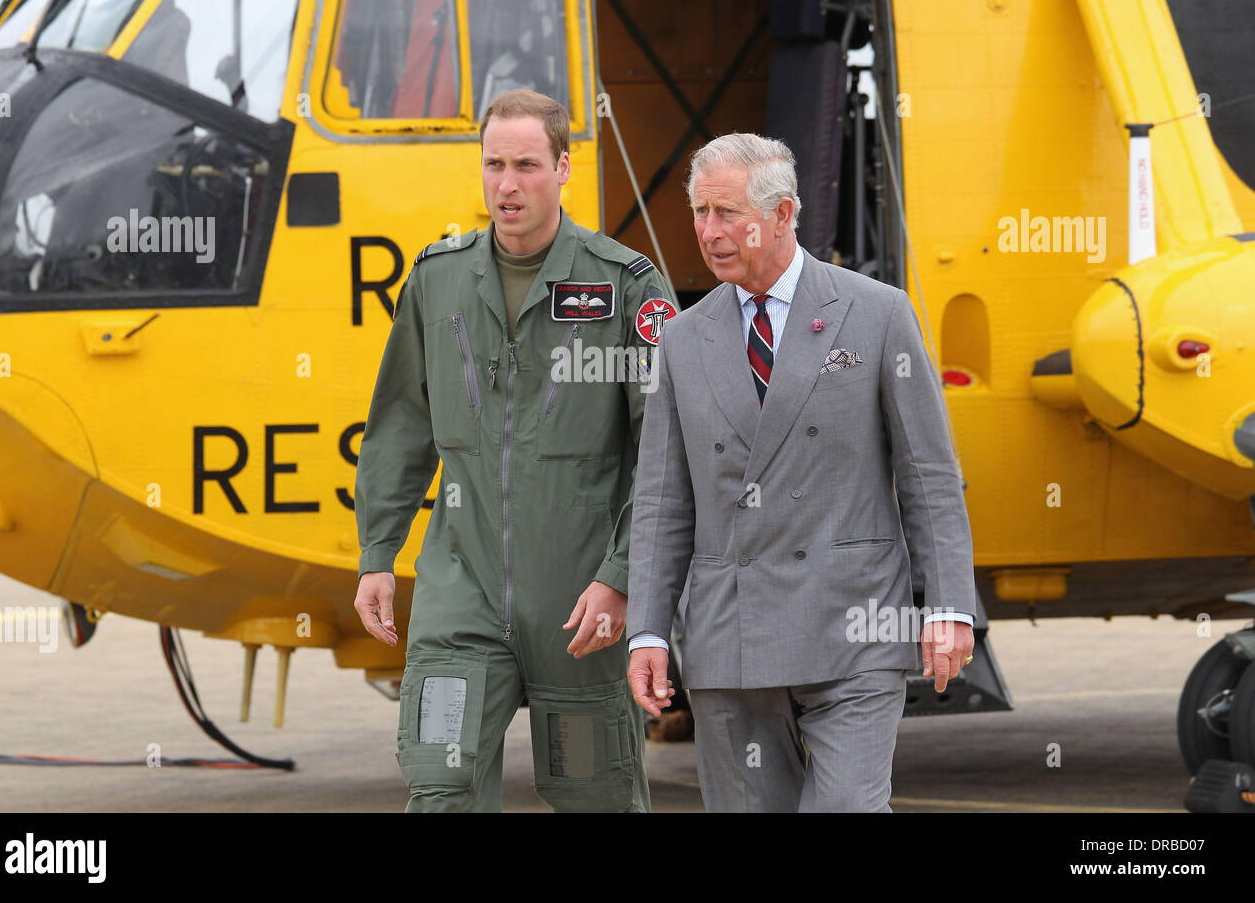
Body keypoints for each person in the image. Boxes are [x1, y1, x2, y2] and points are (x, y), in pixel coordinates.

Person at [625, 133, 975, 812]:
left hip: (856, 627)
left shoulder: (877, 314)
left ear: (782, 215)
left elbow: (928, 474)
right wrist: (648, 630)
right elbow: (664, 503)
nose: (708, 231)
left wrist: (950, 607)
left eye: (727, 213)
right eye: (699, 212)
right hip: (731, 642)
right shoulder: (682, 340)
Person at [353, 89, 677, 812]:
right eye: (494, 164)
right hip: (460, 591)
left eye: (526, 165)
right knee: (442, 785)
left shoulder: (624, 287)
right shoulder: (437, 282)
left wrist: (622, 576)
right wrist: (378, 552)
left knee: (597, 794)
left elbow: (663, 451)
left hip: (581, 600)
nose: (507, 184)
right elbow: (400, 423)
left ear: (563, 167)